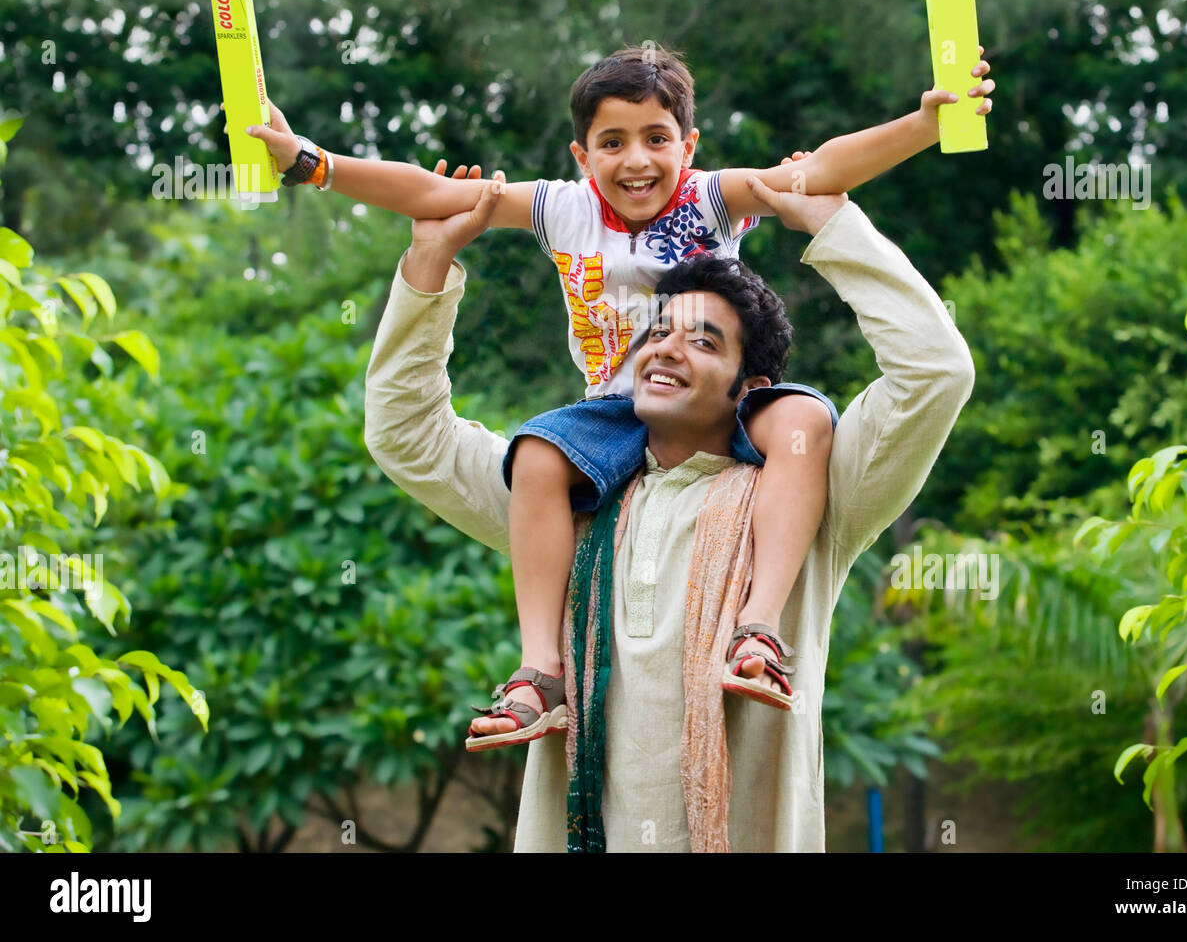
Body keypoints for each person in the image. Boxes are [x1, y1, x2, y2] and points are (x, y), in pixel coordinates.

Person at [247, 43, 993, 754]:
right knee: (535, 455)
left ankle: (759, 626)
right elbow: (431, 194)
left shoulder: (711, 199)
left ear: (688, 145)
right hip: (614, 408)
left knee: (803, 418)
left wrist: (926, 123)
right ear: (582, 155)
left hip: (720, 405)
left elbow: (822, 170)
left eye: (656, 138)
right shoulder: (559, 208)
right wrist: (312, 162)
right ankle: (541, 671)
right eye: (612, 142)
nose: (636, 160)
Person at [363, 168, 975, 852]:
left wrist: (836, 230)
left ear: (752, 388)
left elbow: (936, 371)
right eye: (657, 332)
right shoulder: (574, 499)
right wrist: (428, 265)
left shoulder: (808, 494)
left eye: (704, 341)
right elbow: (405, 434)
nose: (664, 349)